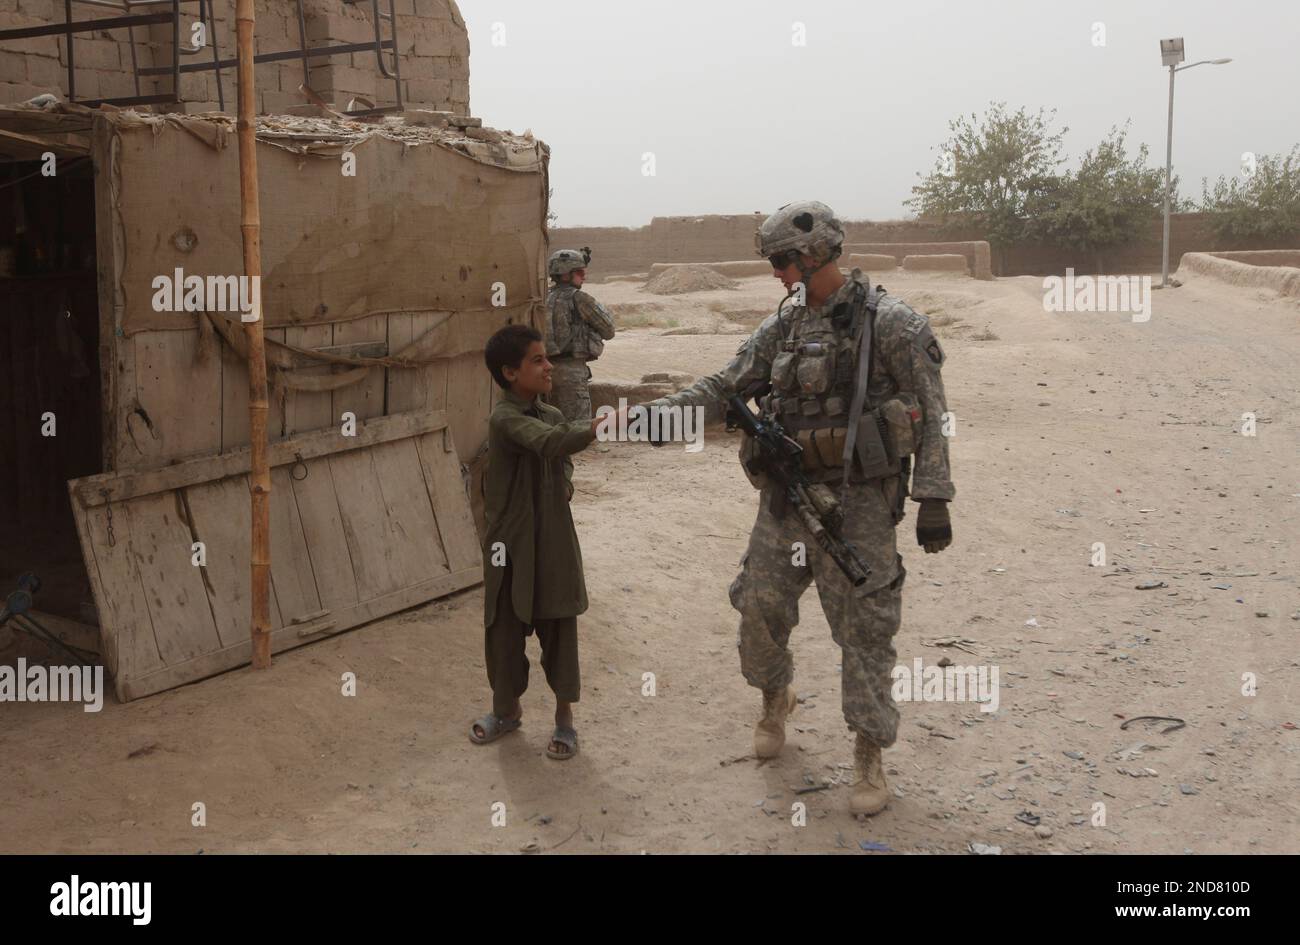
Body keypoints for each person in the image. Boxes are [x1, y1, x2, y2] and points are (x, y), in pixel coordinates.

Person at [643, 202, 955, 815]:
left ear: (816, 256)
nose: (778, 275)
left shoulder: (893, 324)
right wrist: (668, 410)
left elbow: (933, 412)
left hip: (861, 505)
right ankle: (774, 696)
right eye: (774, 263)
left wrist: (933, 499)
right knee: (759, 607)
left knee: (865, 631)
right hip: (786, 501)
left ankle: (868, 753)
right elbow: (727, 384)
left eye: (784, 261)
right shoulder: (783, 328)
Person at [470, 324, 623, 759]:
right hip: (508, 547)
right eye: (537, 360)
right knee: (503, 631)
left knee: (560, 628)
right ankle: (506, 712)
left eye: (546, 357)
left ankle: (564, 721)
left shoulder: (552, 415)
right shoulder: (505, 418)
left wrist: (566, 487)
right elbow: (548, 444)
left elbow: (562, 459)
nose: (548, 366)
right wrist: (598, 426)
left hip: (553, 542)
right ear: (510, 372)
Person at [544, 247, 616, 421]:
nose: (584, 276)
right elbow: (609, 330)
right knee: (578, 431)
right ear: (566, 274)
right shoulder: (580, 298)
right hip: (572, 373)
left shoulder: (543, 298)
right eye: (580, 272)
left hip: (543, 372)